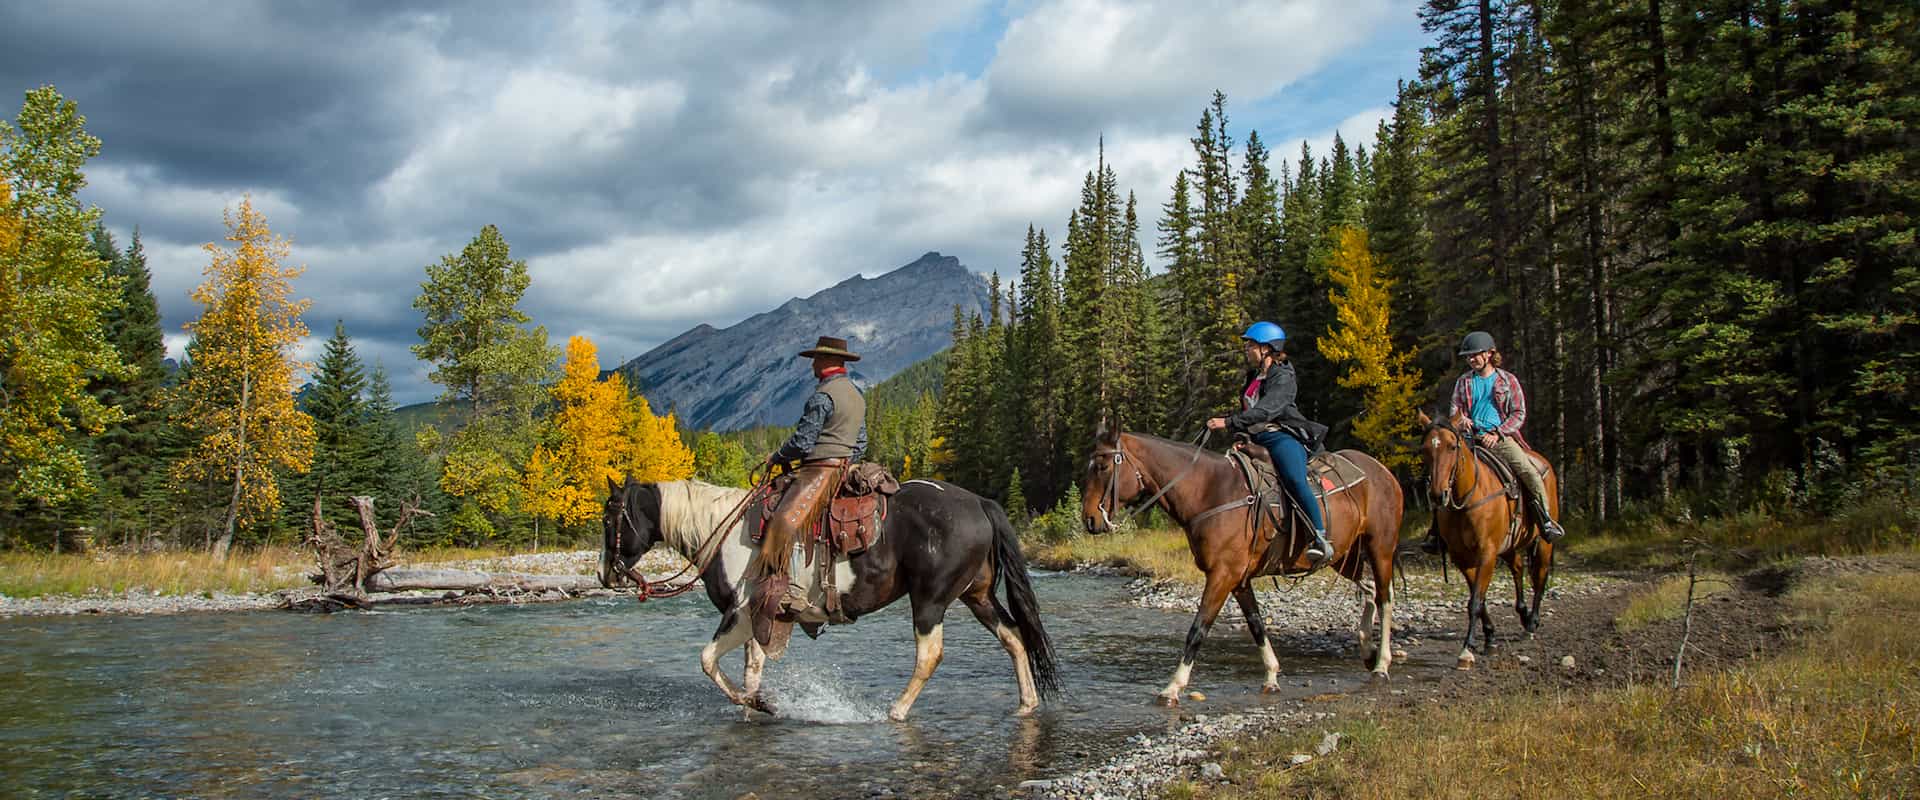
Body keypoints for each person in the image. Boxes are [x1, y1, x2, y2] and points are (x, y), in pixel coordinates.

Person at [752, 335, 868, 646]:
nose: (813, 365)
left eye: (816, 359)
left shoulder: (822, 396)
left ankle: (793, 592)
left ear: (829, 362)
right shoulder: (857, 396)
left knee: (783, 521)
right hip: (846, 467)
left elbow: (803, 442)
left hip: (820, 471)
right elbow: (862, 443)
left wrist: (776, 457)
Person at [1420, 331, 1566, 554]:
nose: (1471, 359)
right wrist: (1462, 421)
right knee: (1441, 475)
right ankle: (1437, 531)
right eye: (1468, 356)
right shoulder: (1464, 382)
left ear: (1489, 354)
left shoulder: (1508, 381)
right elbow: (1455, 409)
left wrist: (1497, 433)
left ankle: (1545, 519)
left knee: (1529, 471)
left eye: (1475, 355)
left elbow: (1518, 413)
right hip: (1469, 439)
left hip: (1501, 439)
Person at [1207, 321, 1332, 566]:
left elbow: (1265, 411)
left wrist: (1229, 422)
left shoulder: (1283, 378)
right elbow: (1249, 408)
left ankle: (1319, 537)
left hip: (1280, 436)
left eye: (1251, 345)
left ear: (1267, 348)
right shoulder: (1254, 377)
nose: (1247, 350)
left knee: (1294, 479)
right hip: (1253, 438)